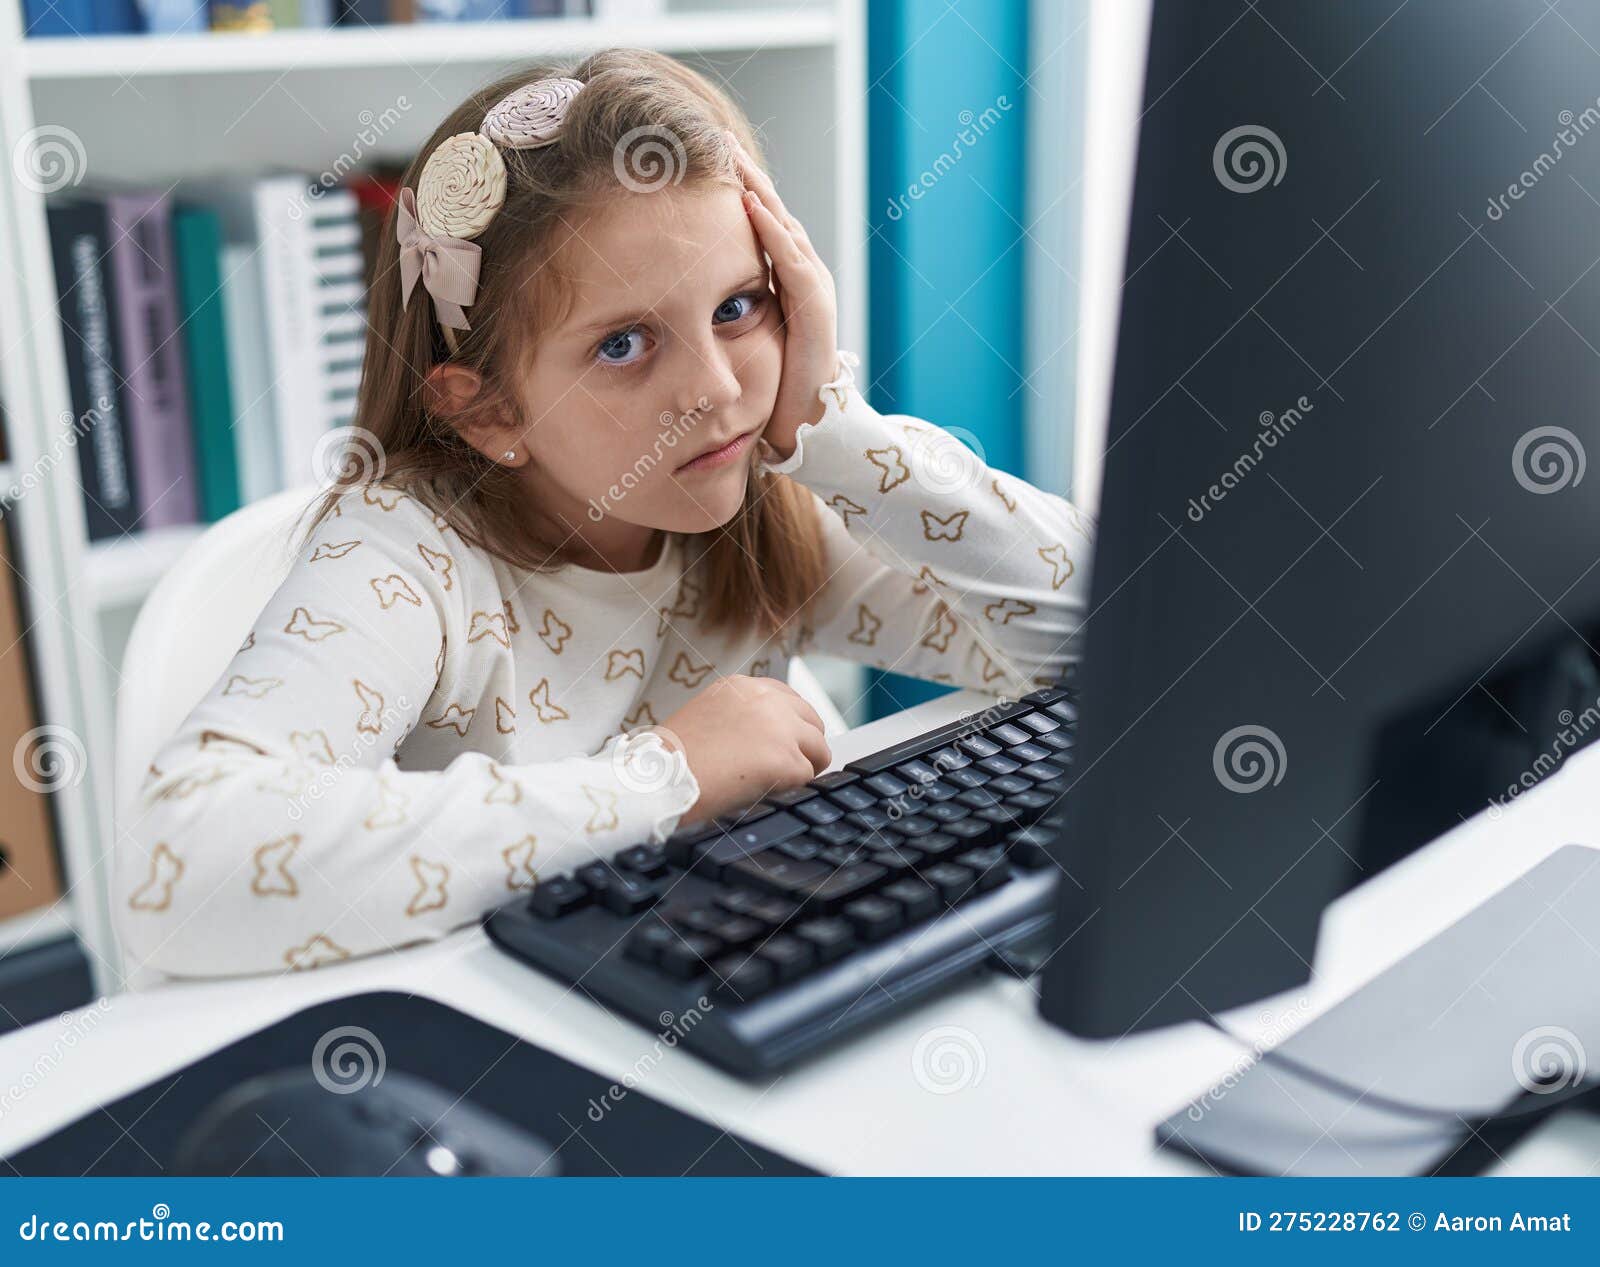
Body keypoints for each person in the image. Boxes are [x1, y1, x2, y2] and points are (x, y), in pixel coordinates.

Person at [113, 48, 1094, 980]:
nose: (716, 391)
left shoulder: (769, 500)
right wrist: (662, 778)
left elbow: (1114, 630)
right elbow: (180, 863)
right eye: (624, 345)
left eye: (738, 307)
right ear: (490, 412)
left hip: (687, 998)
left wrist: (831, 428)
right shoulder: (407, 555)